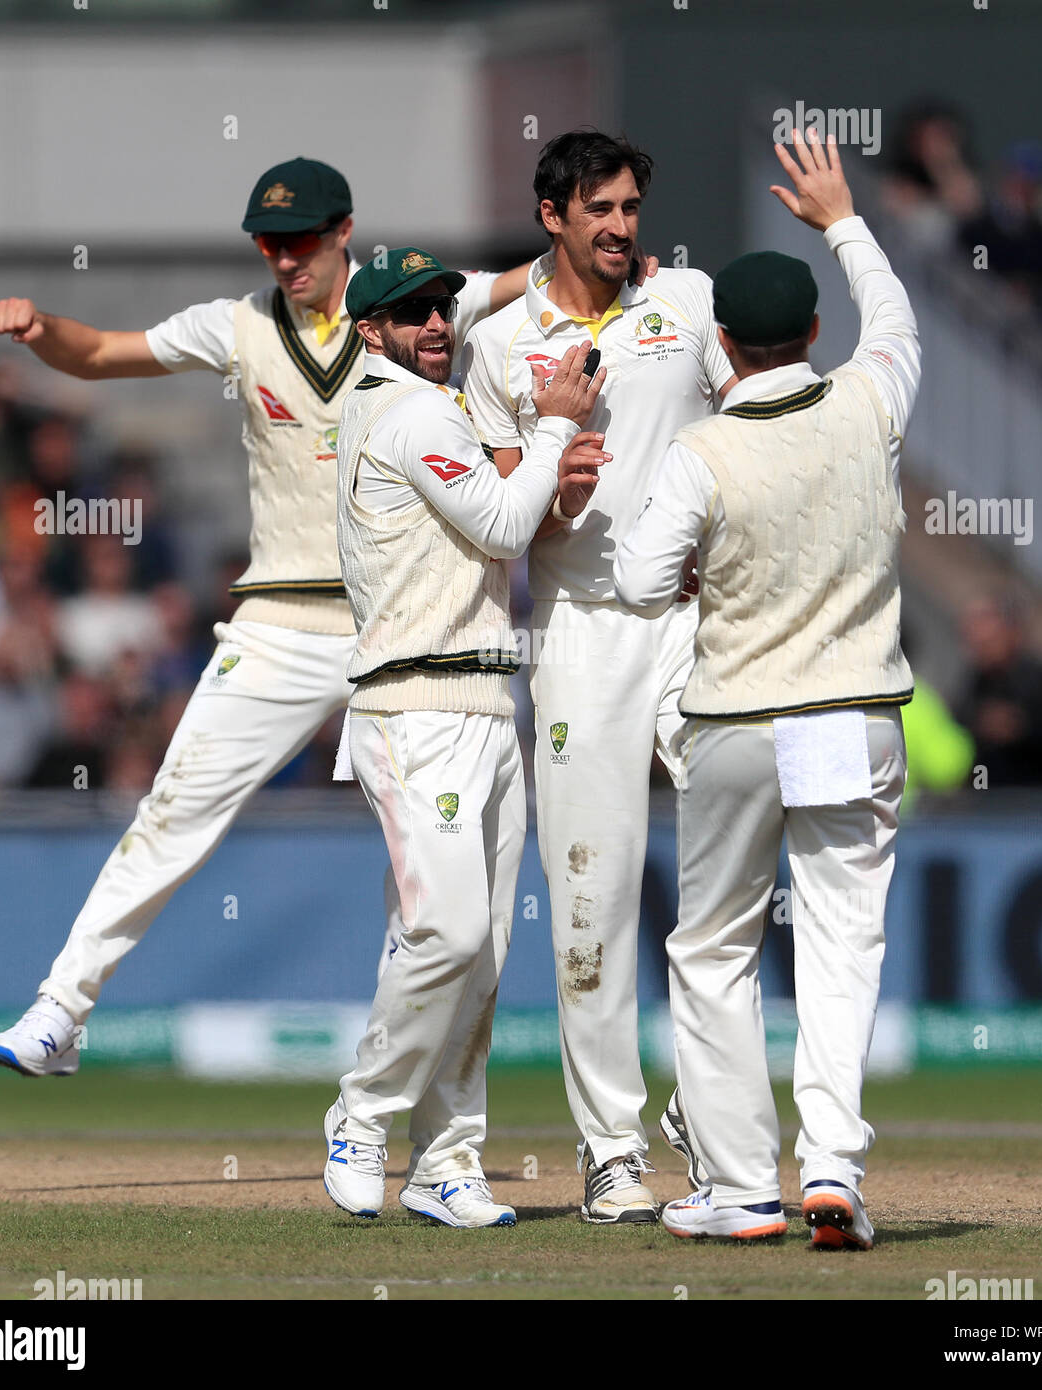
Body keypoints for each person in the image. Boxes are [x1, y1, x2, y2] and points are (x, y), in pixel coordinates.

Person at [0, 157, 531, 1077]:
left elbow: (524, 282)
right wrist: (39, 331)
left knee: (431, 890)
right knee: (175, 806)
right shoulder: (236, 326)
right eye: (270, 243)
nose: (284, 258)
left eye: (301, 240)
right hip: (280, 620)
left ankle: (420, 1126)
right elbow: (104, 354)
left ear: (343, 229)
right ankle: (60, 1007)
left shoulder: (412, 304)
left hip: (403, 629)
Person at [615, 129, 920, 1249]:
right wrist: (842, 218)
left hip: (736, 721)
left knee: (712, 951)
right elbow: (894, 318)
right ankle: (831, 1167)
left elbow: (643, 579)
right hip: (853, 715)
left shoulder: (701, 449)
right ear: (812, 336)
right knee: (843, 946)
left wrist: (700, 566)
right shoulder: (871, 400)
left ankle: (740, 1187)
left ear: (723, 351)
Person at [462, 129, 735, 1224]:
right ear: (553, 216)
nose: (622, 228)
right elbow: (494, 522)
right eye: (602, 211)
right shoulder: (496, 344)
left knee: (756, 837)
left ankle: (701, 1106)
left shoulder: (688, 300)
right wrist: (557, 483)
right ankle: (612, 1148)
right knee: (591, 892)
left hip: (700, 620)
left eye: (631, 207)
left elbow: (754, 411)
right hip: (579, 628)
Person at [323, 249, 607, 1227]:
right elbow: (496, 526)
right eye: (410, 312)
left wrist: (541, 456)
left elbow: (502, 514)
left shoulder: (419, 409)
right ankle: (361, 1114)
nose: (437, 323)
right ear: (369, 330)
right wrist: (557, 421)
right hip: (418, 707)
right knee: (449, 930)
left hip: (485, 700)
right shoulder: (406, 409)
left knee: (477, 955)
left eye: (442, 305)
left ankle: (447, 1164)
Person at [953, 593, 1042, 788]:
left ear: (1012, 634)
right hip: (983, 802)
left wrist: (1019, 727)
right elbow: (956, 721)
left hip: (1032, 805)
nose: (978, 649)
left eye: (988, 641)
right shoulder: (978, 680)